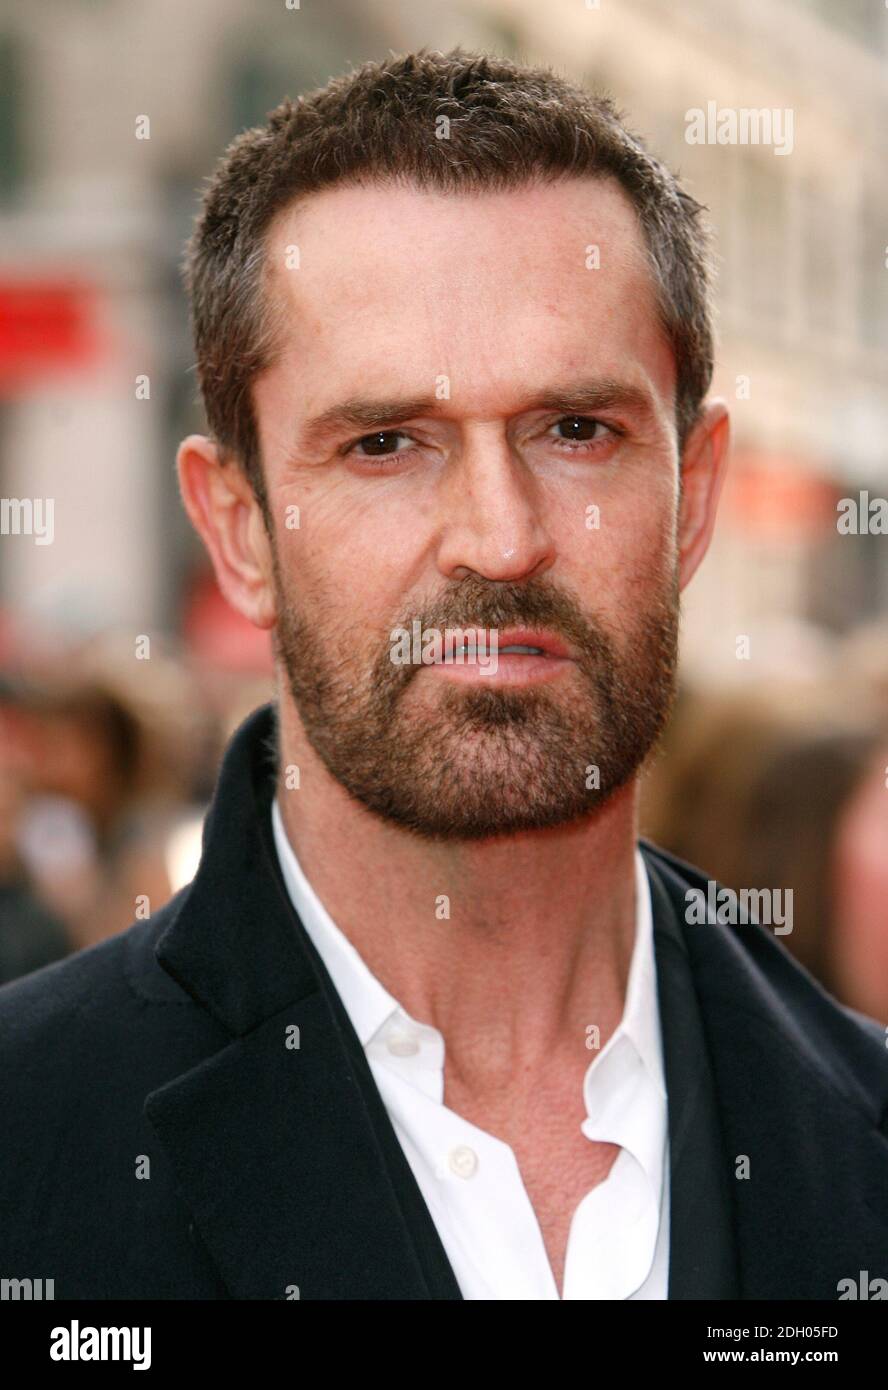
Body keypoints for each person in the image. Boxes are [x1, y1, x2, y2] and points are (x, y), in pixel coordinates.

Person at [1, 49, 886, 1302]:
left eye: (576, 430)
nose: (498, 534)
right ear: (240, 527)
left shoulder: (856, 1133)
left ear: (693, 497)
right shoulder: (30, 1148)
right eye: (384, 444)